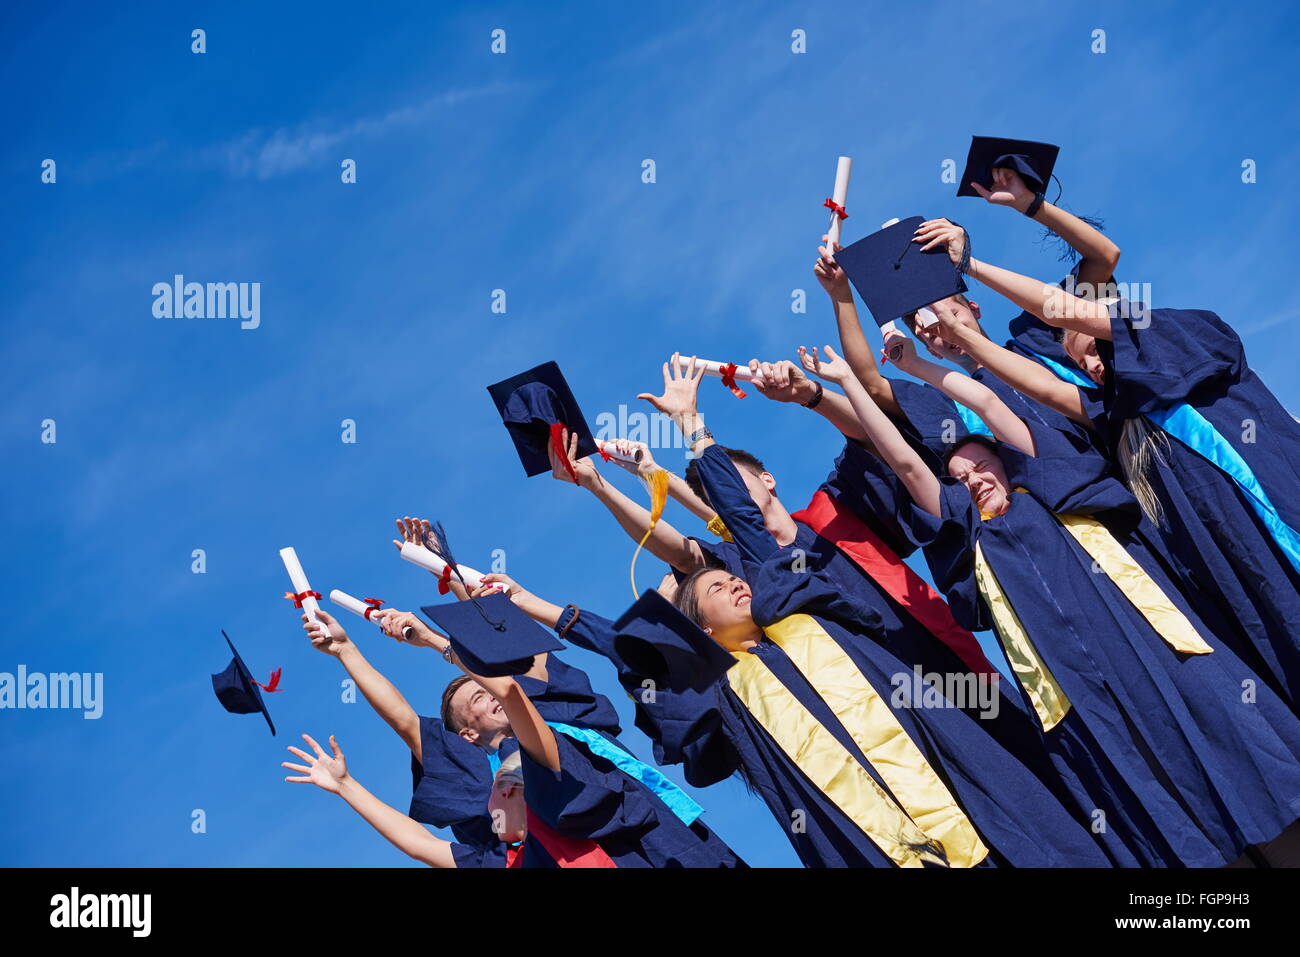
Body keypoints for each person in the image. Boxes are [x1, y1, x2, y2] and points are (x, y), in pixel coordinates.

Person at [798, 339, 1300, 866]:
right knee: (1153, 790)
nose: (974, 481)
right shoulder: (967, 542)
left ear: (1005, 460)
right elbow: (904, 463)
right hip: (1070, 689)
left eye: (981, 466)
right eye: (961, 479)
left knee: (1232, 744)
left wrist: (916, 364)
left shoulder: (1048, 487)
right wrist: (847, 384)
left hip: (1149, 646)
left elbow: (991, 407)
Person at [912, 220, 1300, 709]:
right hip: (1213, 547)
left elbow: (1080, 301)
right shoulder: (1111, 416)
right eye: (1085, 362)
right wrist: (954, 347)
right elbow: (1046, 391)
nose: (1094, 367)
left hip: (1272, 492)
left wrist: (972, 262)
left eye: (1094, 350)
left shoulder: (1179, 335)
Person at [426, 584, 747, 868]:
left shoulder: (555, 716)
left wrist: (456, 580)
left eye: (488, 688)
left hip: (655, 819)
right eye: (477, 700)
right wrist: (438, 644)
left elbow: (522, 656)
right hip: (594, 853)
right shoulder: (488, 786)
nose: (492, 694)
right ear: (467, 734)